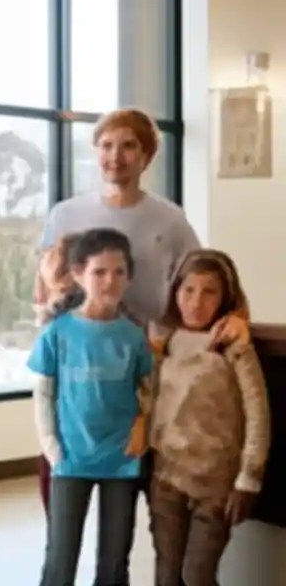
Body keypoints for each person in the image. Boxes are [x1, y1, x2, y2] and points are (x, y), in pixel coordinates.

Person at [33, 108, 250, 512]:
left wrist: (238, 315)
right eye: (107, 145)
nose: (116, 156)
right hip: (77, 369)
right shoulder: (65, 215)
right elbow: (42, 287)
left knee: (142, 496)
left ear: (147, 155)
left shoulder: (169, 220)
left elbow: (206, 274)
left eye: (129, 145)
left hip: (142, 369)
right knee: (62, 493)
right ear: (96, 151)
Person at [29, 228, 153, 586]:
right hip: (70, 458)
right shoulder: (58, 333)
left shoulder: (133, 336)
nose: (109, 281)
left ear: (129, 277)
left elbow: (147, 391)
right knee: (60, 556)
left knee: (115, 559)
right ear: (79, 274)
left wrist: (142, 429)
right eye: (99, 272)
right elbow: (43, 394)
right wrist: (52, 448)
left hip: (122, 458)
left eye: (118, 272)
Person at [147, 249, 269, 586]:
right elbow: (150, 403)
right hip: (166, 478)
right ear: (176, 293)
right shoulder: (166, 344)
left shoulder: (234, 346)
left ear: (225, 297)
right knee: (167, 572)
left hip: (215, 483)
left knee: (197, 574)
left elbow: (257, 412)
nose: (196, 302)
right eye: (188, 290)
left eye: (209, 291)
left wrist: (249, 478)